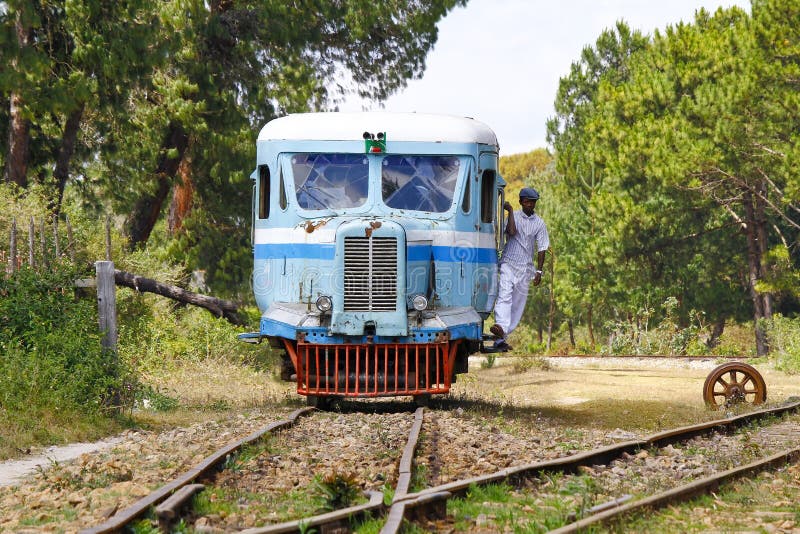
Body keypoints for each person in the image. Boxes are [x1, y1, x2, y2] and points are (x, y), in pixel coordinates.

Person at [490, 187, 550, 351]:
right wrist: (509, 211)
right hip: (508, 263)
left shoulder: (539, 223)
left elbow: (542, 247)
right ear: (521, 202)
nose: (530, 204)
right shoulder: (513, 216)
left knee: (517, 305)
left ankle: (502, 336)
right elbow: (511, 231)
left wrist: (539, 271)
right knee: (504, 296)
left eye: (533, 202)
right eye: (527, 201)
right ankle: (501, 327)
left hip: (526, 269)